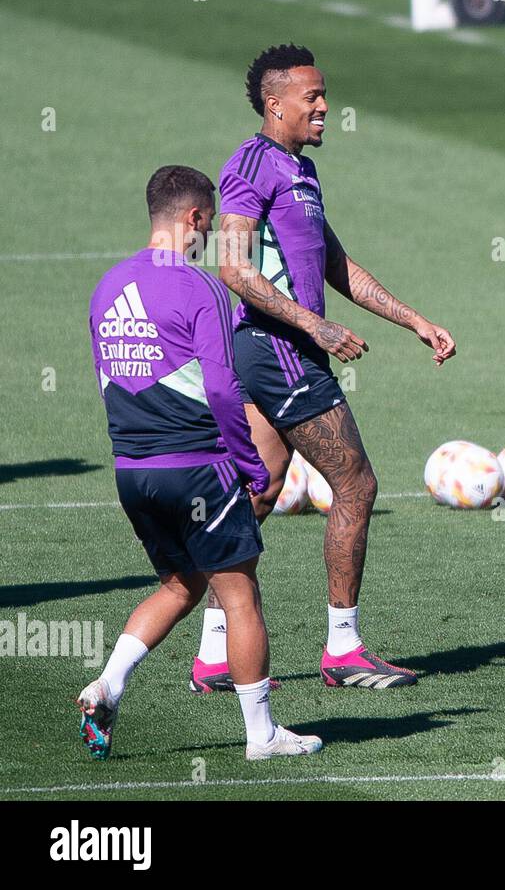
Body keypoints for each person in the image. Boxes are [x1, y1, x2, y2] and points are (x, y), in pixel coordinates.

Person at [193, 43, 457, 692]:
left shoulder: (301, 172)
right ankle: (343, 649)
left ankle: (212, 656)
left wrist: (413, 319)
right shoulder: (250, 166)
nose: (324, 106)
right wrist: (314, 326)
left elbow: (337, 267)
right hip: (278, 350)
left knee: (258, 492)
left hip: (284, 350)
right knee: (357, 484)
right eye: (312, 98)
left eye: (323, 95)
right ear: (274, 103)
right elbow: (232, 267)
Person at [79, 165, 322, 760]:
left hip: (133, 470)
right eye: (209, 223)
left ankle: (107, 683)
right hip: (198, 468)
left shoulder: (107, 286)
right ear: (193, 218)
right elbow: (221, 387)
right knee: (240, 596)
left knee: (180, 583)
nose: (210, 233)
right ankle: (261, 735)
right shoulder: (201, 289)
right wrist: (248, 463)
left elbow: (106, 376)